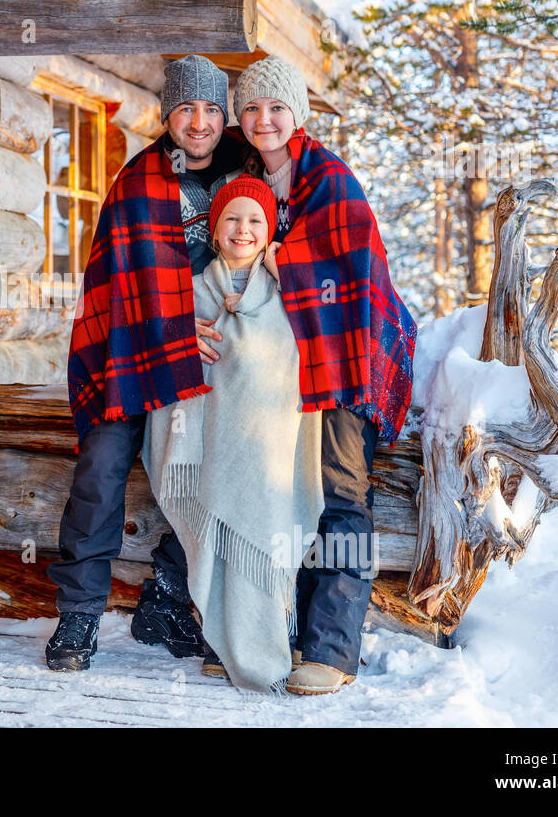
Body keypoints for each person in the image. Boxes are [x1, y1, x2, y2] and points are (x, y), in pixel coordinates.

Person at [198, 56, 418, 695]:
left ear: (298, 112)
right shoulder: (250, 177)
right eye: (251, 109)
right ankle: (255, 635)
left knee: (338, 492)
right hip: (286, 366)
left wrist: (278, 255)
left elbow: (344, 269)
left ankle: (331, 648)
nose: (262, 120)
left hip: (348, 353)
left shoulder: (329, 178)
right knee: (268, 491)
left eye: (275, 108)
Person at [45, 55, 247, 671]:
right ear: (168, 115)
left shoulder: (245, 169)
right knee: (102, 469)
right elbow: (123, 277)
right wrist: (176, 321)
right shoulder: (139, 180)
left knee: (223, 468)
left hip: (217, 354)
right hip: (134, 346)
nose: (201, 121)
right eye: (187, 108)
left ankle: (167, 593)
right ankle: (78, 616)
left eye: (212, 108)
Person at [143, 180, 325, 692]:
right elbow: (166, 364)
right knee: (215, 542)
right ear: (214, 229)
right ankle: (218, 643)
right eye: (231, 220)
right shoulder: (192, 291)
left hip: (268, 448)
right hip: (207, 445)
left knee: (264, 538)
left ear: (269, 234)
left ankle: (265, 641)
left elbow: (300, 359)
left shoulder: (288, 292)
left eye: (255, 222)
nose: (242, 230)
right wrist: (178, 337)